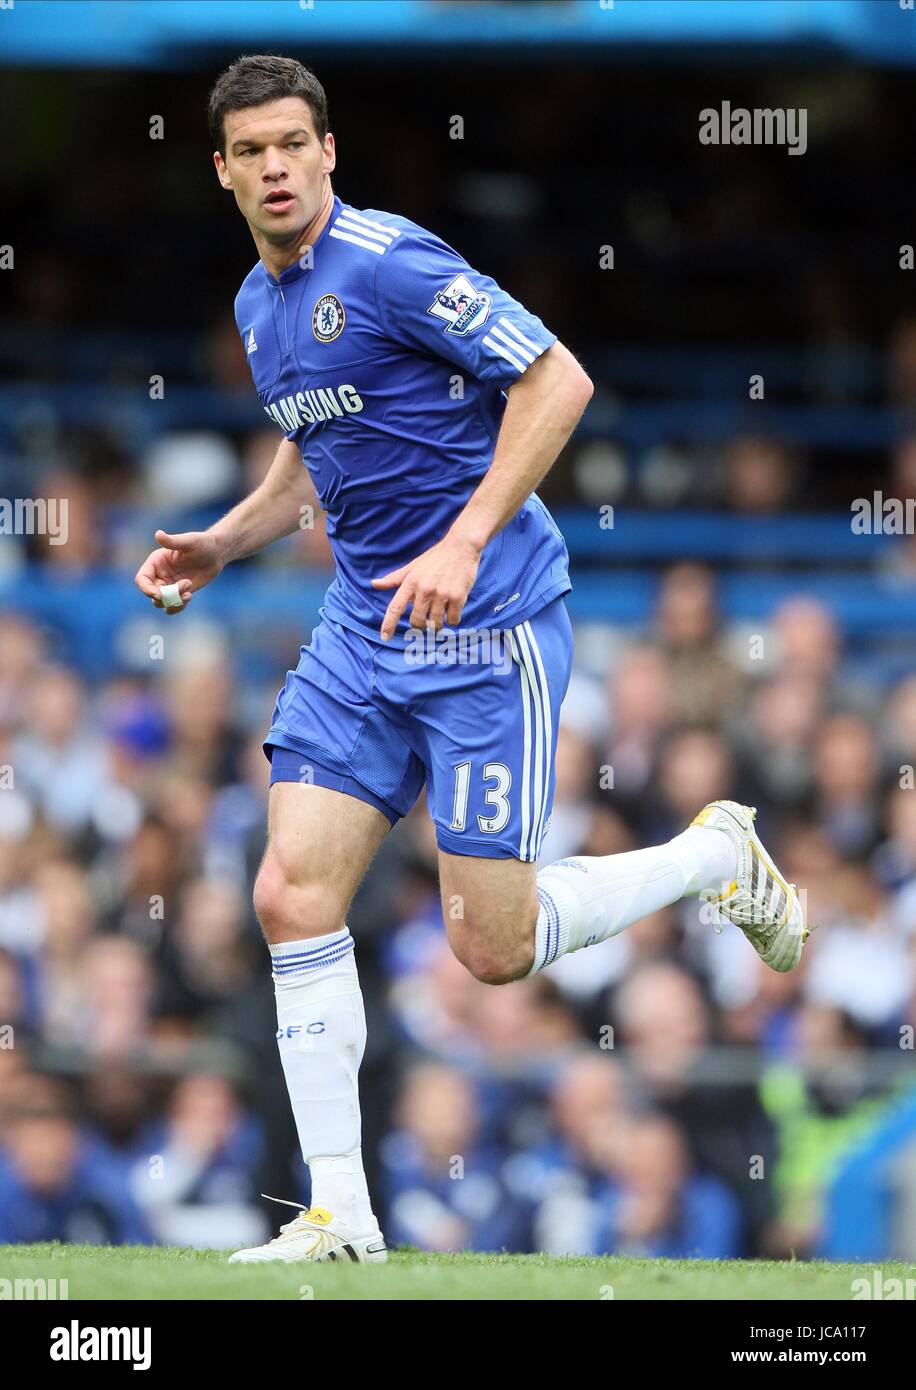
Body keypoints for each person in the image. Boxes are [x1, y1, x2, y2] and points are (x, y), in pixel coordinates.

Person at [135, 54, 809, 1264]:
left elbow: (557, 378)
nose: (277, 166)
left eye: (296, 143)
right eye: (253, 151)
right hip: (363, 623)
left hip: (486, 624)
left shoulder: (394, 262)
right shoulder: (257, 303)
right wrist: (224, 544)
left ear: (328, 152)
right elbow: (311, 449)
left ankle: (713, 851)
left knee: (489, 949)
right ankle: (339, 1215)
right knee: (289, 891)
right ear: (223, 169)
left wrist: (462, 538)